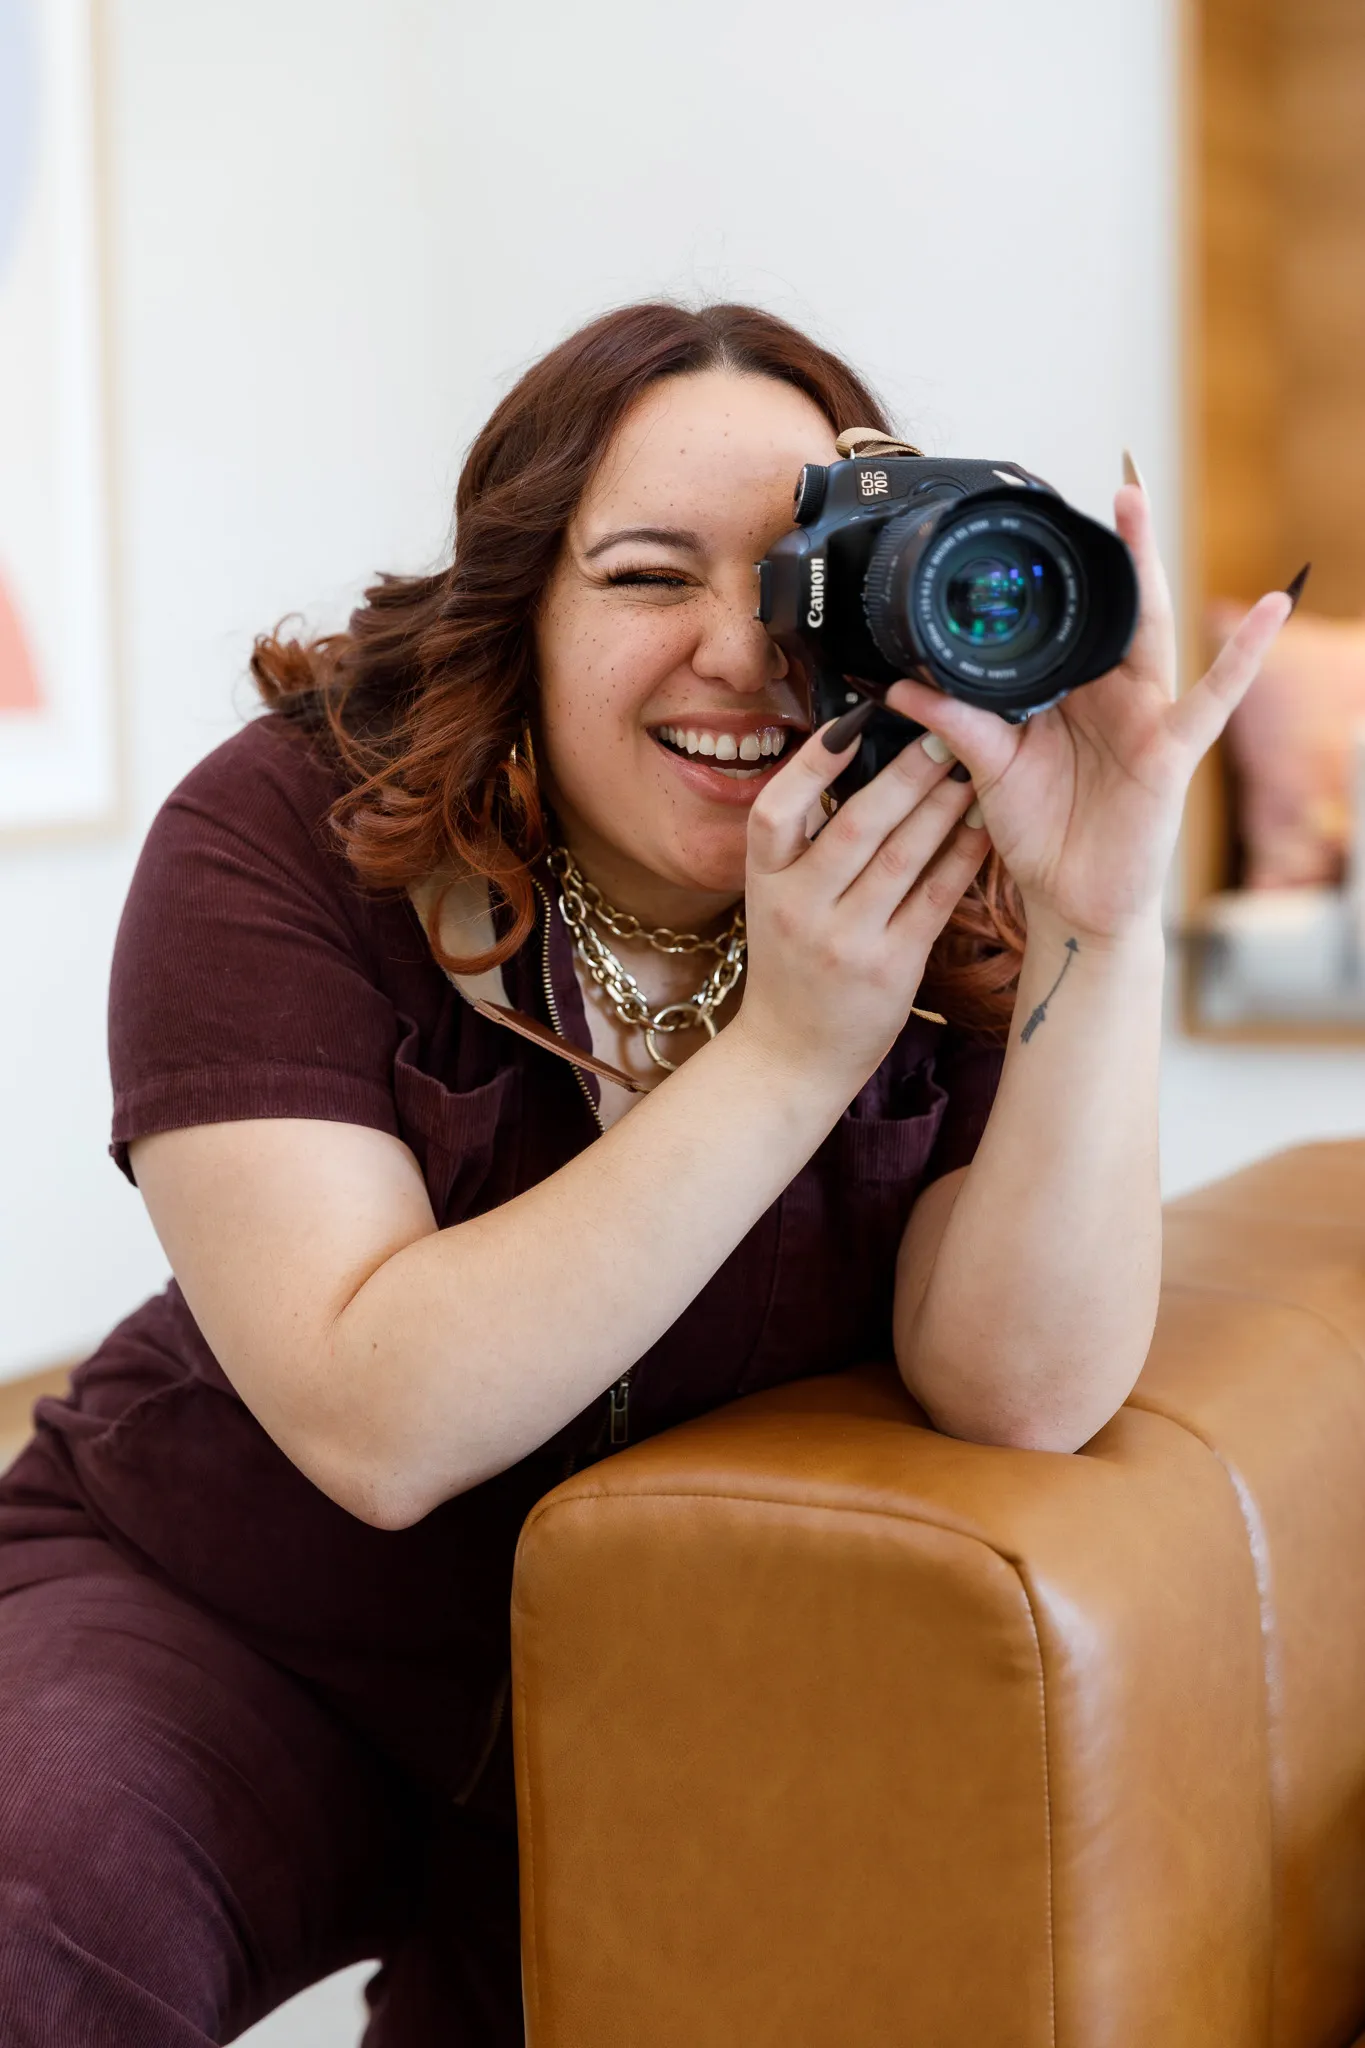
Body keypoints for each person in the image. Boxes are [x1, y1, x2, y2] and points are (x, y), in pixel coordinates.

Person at [0, 301, 1292, 2043]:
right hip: (231, 1616)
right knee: (37, 1912)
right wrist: (789, 1057)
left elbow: (1022, 1386)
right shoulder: (285, 835)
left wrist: (1103, 921)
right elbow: (376, 1421)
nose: (745, 651)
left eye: (799, 572)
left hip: (661, 1701)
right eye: (643, 578)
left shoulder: (961, 858)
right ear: (516, 611)